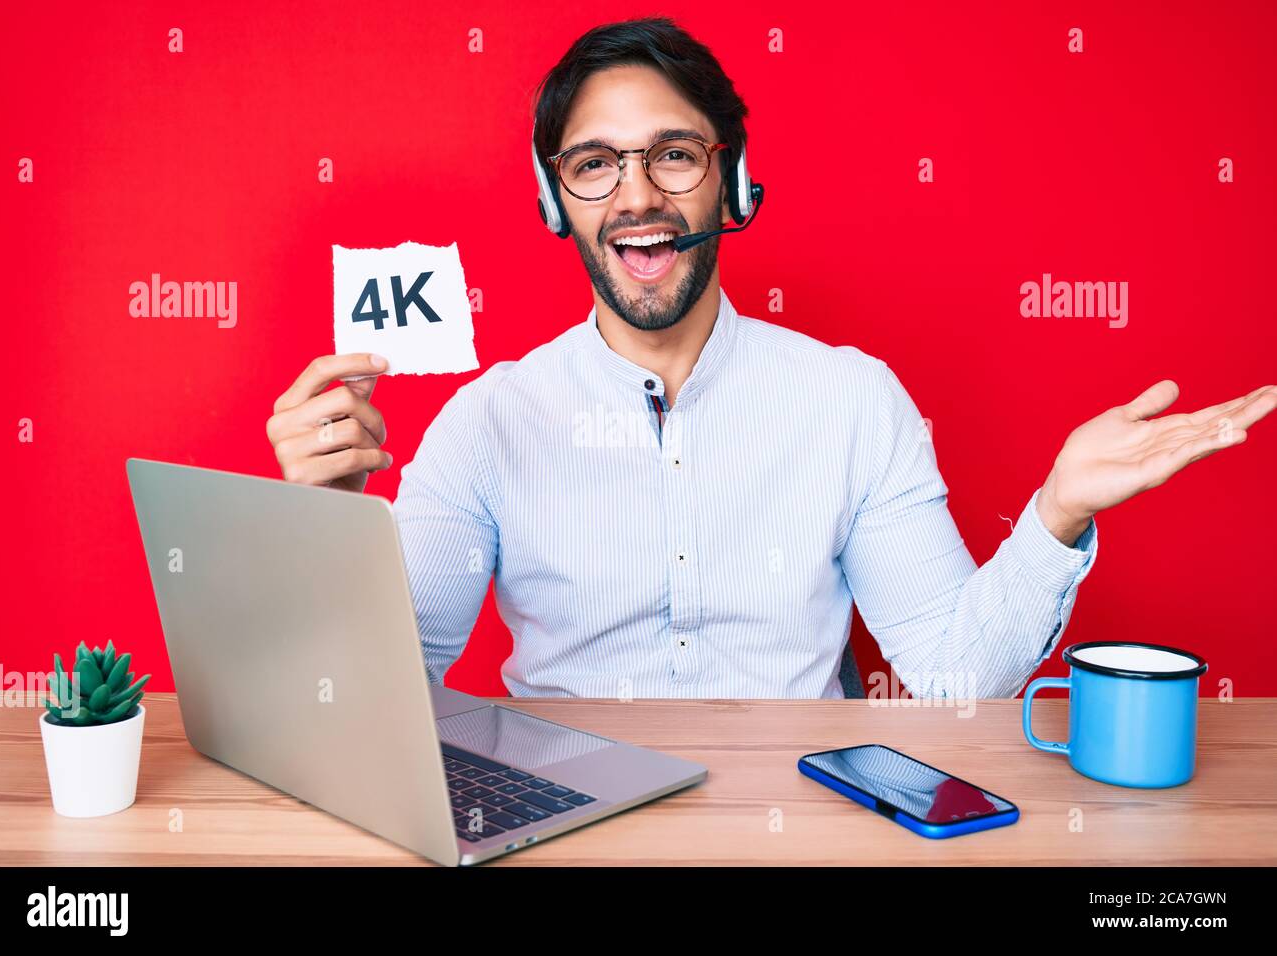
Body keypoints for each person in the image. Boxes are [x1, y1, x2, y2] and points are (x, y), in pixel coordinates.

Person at [264, 17, 1276, 699]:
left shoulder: (848, 400)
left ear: (731, 178)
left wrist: (1058, 509)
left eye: (672, 153)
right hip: (560, 825)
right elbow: (379, 694)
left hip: (798, 825)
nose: (635, 197)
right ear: (552, 201)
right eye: (592, 164)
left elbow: (953, 673)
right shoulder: (488, 422)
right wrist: (335, 519)